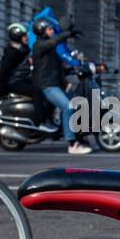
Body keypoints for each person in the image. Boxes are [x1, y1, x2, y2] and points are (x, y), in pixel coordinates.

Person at [32, 18, 92, 154]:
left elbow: (57, 66)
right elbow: (54, 41)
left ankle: (79, 136)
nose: (52, 31)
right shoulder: (39, 45)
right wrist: (68, 34)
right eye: (49, 29)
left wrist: (72, 70)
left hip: (56, 84)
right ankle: (72, 144)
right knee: (68, 107)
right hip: (47, 85)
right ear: (42, 31)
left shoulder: (50, 48)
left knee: (77, 104)